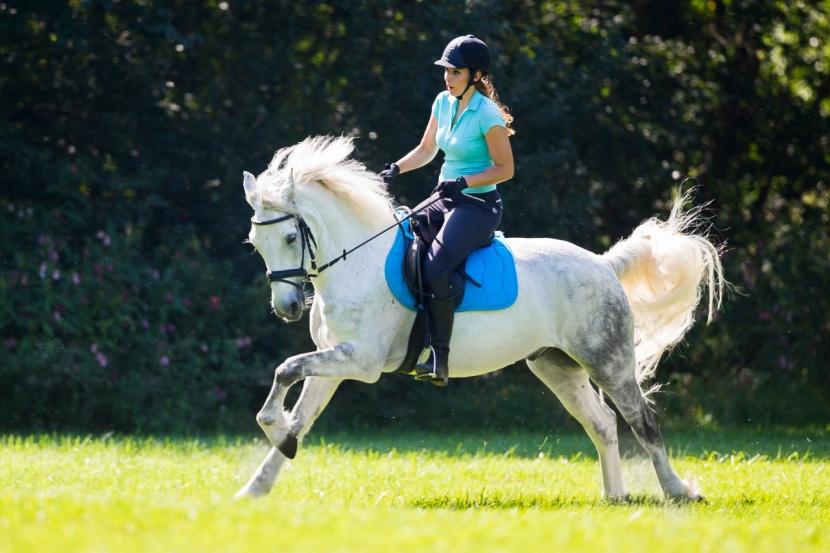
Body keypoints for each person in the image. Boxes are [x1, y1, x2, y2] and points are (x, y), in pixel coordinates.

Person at [379, 34, 515, 386]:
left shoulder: (488, 114)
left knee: (435, 265)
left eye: (456, 72)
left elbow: (505, 169)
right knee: (405, 246)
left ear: (476, 75)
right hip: (446, 197)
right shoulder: (443, 102)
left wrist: (464, 182)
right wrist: (396, 168)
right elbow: (427, 150)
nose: (447, 77)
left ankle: (440, 357)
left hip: (479, 206)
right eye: (446, 70)